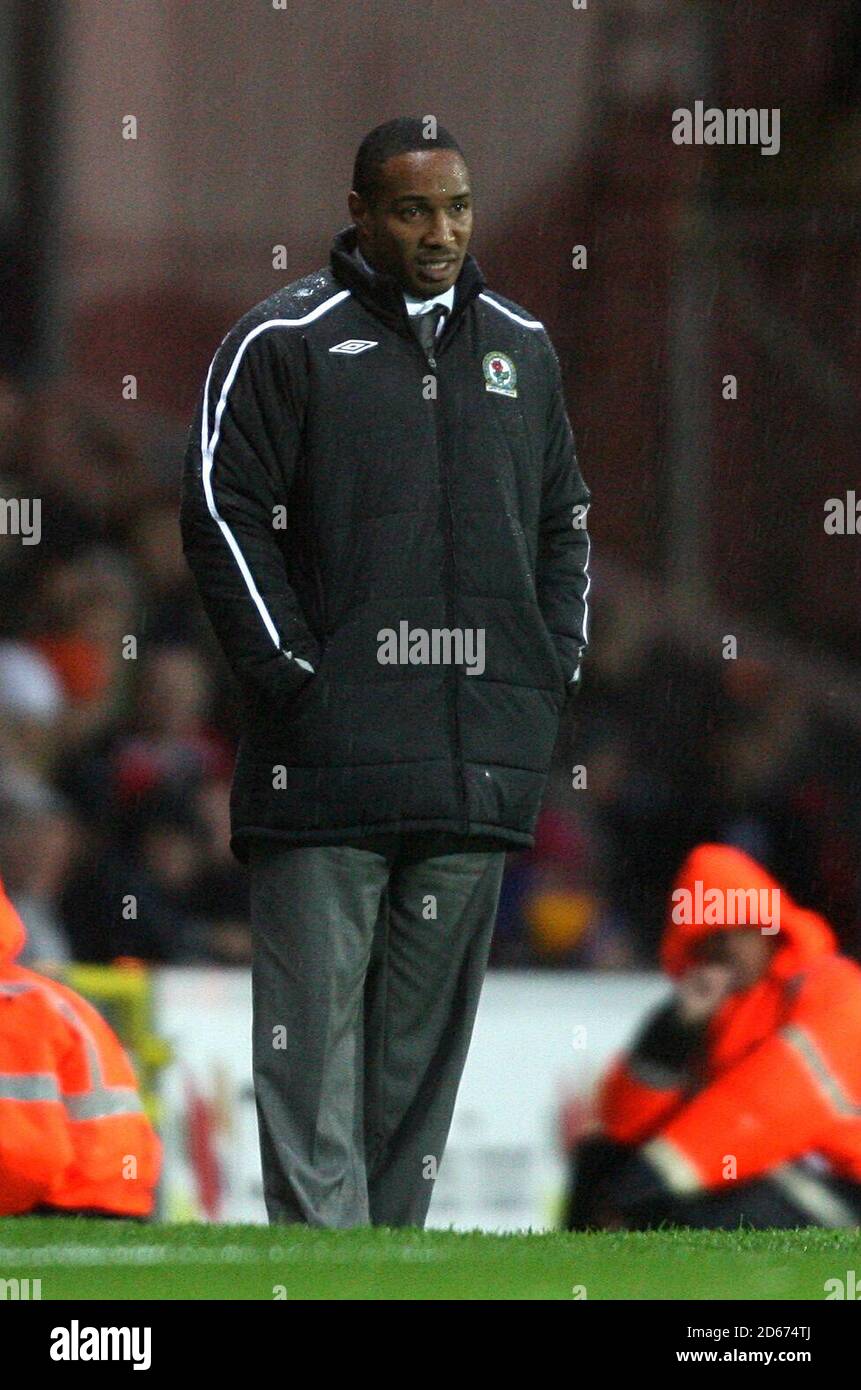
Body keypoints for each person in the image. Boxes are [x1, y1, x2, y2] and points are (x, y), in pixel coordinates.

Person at [181, 117, 591, 1227]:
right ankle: (322, 1287)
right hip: (326, 768)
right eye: (414, 209)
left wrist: (545, 673)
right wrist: (298, 679)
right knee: (314, 1065)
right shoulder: (283, 342)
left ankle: (386, 1283)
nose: (442, 232)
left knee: (414, 1078)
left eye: (458, 207)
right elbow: (222, 516)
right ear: (359, 213)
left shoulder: (524, 347)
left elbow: (566, 524)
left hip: (476, 771)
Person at [564, 843, 861, 1230]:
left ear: (770, 927)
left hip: (837, 1183)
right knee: (599, 1161)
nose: (725, 947)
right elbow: (623, 1125)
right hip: (754, 1172)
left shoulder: (833, 989)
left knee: (687, 1207)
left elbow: (767, 1108)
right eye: (709, 936)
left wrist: (644, 1183)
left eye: (740, 929)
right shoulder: (711, 1010)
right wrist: (672, 1033)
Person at [0, 874, 161, 1218]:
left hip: (78, 1200)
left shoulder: (14, 1008)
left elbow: (27, 1163)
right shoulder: (32, 995)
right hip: (106, 1192)